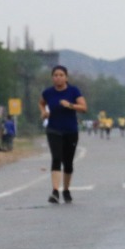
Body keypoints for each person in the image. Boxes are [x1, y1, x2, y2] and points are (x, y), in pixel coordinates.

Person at [39, 66, 86, 204]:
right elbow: (41, 103)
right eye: (55, 75)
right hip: (53, 129)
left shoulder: (73, 91)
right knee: (56, 158)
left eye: (61, 75)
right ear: (52, 77)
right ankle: (55, 191)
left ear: (66, 77)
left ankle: (66, 190)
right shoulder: (48, 92)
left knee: (68, 162)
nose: (58, 77)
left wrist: (70, 105)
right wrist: (43, 112)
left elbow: (84, 108)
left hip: (70, 130)